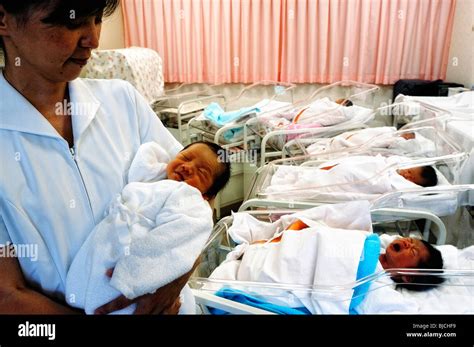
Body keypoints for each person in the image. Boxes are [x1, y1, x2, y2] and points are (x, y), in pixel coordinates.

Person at [0, 0, 195, 314]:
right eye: (71, 21)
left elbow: (195, 194)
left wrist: (178, 275)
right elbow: (8, 296)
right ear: (4, 18)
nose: (93, 39)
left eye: (96, 19)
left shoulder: (122, 101)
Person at [66, 141, 231, 314]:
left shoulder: (190, 198)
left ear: (207, 195)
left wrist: (134, 272)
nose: (188, 167)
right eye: (186, 157)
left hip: (139, 272)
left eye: (202, 172)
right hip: (108, 244)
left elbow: (173, 240)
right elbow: (144, 162)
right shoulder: (153, 181)